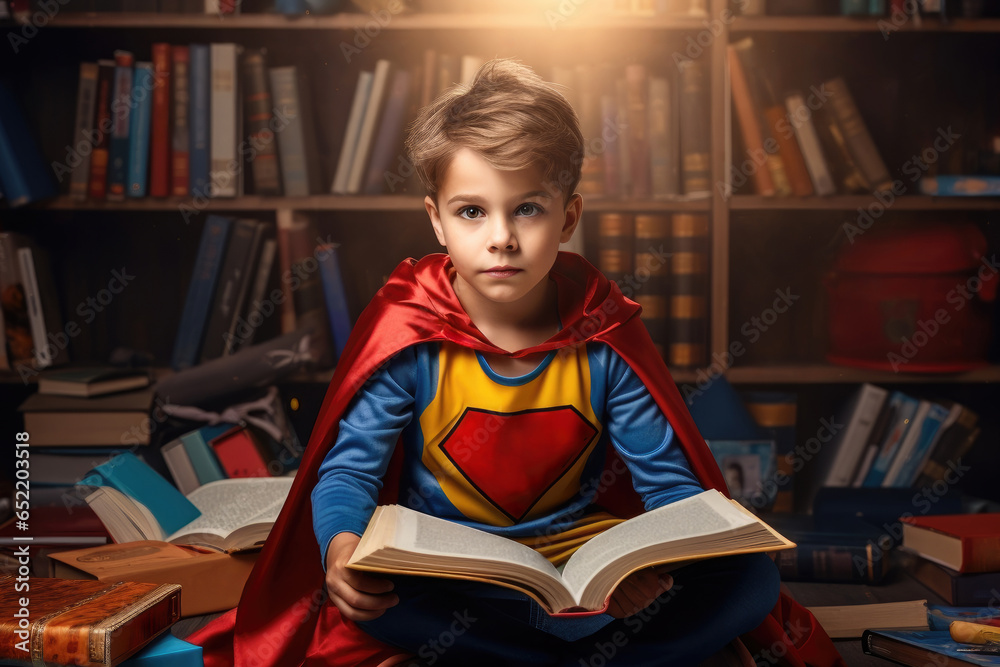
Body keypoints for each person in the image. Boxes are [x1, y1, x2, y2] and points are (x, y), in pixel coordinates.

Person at [189, 59, 845, 667]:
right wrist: (340, 553)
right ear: (437, 221)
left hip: (583, 562)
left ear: (569, 217)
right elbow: (348, 471)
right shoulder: (411, 332)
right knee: (382, 601)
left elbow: (672, 487)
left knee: (751, 579)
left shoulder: (602, 335)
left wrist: (654, 560)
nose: (500, 236)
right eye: (472, 211)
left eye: (527, 207)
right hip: (452, 575)